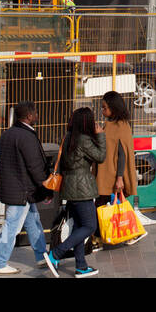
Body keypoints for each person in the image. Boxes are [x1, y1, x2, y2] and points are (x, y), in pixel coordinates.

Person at [0, 101, 54, 275]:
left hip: (15, 188)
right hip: (22, 191)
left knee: (33, 221)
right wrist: (47, 188)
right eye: (36, 113)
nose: (37, 116)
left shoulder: (8, 134)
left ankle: (42, 256)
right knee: (12, 226)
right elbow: (35, 166)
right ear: (29, 116)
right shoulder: (26, 137)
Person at [42, 107, 106, 277]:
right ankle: (56, 254)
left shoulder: (68, 137)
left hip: (70, 188)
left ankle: (81, 266)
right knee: (90, 225)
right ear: (87, 122)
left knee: (79, 225)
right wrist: (100, 135)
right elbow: (100, 157)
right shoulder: (84, 140)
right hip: (82, 188)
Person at [94, 91, 137, 248]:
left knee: (101, 205)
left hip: (113, 175)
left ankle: (99, 238)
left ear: (114, 107)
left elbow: (122, 155)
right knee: (106, 205)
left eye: (104, 108)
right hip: (107, 173)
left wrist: (120, 178)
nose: (102, 111)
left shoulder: (120, 126)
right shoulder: (110, 124)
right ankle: (122, 233)